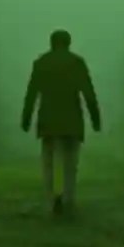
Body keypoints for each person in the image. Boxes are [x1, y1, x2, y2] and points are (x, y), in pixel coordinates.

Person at [21, 29, 101, 216]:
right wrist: (95, 118)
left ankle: (53, 197)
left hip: (48, 120)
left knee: (49, 161)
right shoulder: (77, 63)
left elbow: (31, 93)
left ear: (51, 43)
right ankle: (68, 198)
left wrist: (26, 118)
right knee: (70, 162)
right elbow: (88, 93)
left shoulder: (41, 63)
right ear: (68, 43)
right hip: (71, 119)